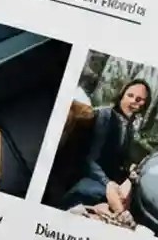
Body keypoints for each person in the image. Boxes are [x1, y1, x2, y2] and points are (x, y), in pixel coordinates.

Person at [58, 79, 152, 213]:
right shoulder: (105, 116)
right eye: (130, 96)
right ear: (122, 95)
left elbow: (118, 159)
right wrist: (107, 183)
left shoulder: (130, 126)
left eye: (139, 99)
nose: (133, 102)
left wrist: (128, 170)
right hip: (84, 177)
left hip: (107, 181)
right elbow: (90, 160)